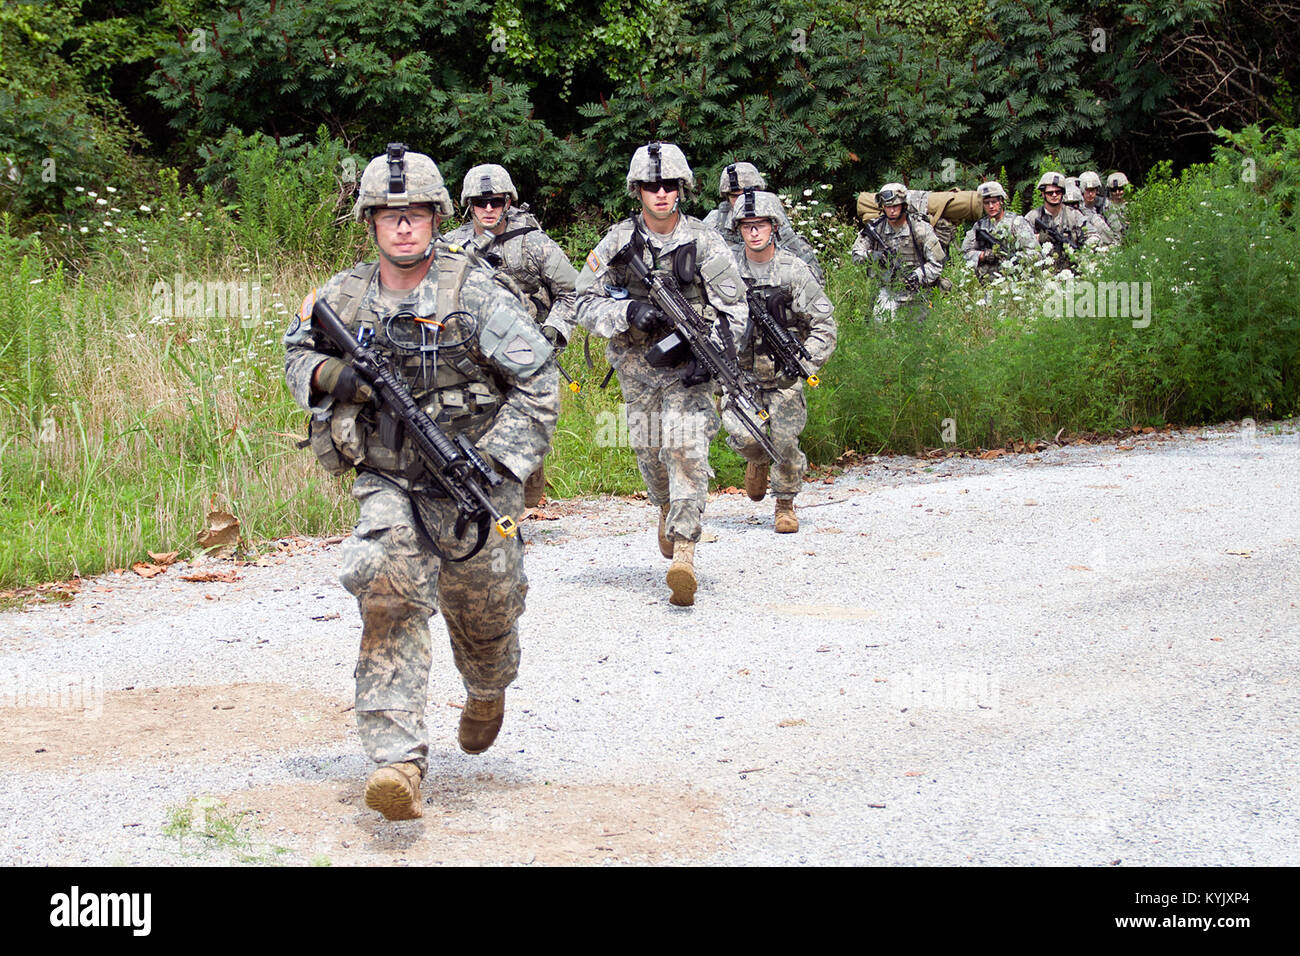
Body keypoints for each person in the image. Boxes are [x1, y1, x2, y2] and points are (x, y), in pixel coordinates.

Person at [284, 145, 558, 821]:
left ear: (436, 218)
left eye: (415, 215)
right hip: (389, 478)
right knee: (385, 588)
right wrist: (338, 379)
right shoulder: (343, 296)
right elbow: (298, 354)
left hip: (475, 479)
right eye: (388, 215)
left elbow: (540, 384)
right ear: (370, 221)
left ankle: (488, 687)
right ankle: (396, 761)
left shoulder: (478, 292)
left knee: (486, 608)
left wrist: (496, 464)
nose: (402, 227)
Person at [575, 141, 748, 606]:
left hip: (689, 370)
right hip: (636, 369)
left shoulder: (705, 242)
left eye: (670, 185)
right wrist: (627, 311)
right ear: (638, 191)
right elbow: (580, 299)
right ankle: (666, 507)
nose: (661, 193)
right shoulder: (617, 242)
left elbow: (735, 309)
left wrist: (712, 354)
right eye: (652, 186)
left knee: (685, 447)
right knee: (651, 454)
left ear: (683, 189)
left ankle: (685, 553)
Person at [444, 163, 577, 507]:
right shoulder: (451, 246)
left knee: (523, 414)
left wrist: (553, 330)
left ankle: (524, 470)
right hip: (469, 350)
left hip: (523, 347)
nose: (488, 210)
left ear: (508, 202)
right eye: (480, 202)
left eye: (496, 202)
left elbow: (575, 291)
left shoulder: (532, 244)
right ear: (468, 204)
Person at [723, 189, 836, 533]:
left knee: (785, 442)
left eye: (760, 225)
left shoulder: (794, 271)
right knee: (744, 436)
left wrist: (803, 364)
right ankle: (758, 460)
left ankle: (784, 504)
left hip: (784, 375)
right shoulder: (724, 271)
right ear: (738, 229)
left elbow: (825, 327)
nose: (753, 232)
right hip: (740, 375)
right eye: (746, 225)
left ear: (774, 226)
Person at [702, 161, 824, 281]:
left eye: (745, 194)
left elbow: (806, 266)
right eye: (734, 196)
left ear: (758, 191)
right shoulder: (715, 222)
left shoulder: (771, 216)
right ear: (727, 197)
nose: (741, 200)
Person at [851, 181, 946, 319]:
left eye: (895, 206)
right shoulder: (875, 228)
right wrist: (874, 256)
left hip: (917, 291)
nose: (891, 210)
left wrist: (917, 276)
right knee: (882, 330)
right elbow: (856, 254)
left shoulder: (920, 229)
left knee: (921, 333)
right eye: (887, 206)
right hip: (887, 290)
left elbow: (937, 263)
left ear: (904, 205)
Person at [960, 180, 1040, 280]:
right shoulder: (979, 226)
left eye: (994, 202)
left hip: (1015, 280)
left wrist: (1016, 259)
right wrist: (983, 255)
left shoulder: (1016, 222)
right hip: (988, 283)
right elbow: (965, 253)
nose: (991, 206)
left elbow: (1035, 252)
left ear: (1001, 201)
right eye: (986, 203)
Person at [1024, 171, 1094, 266]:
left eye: (1058, 192)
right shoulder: (1033, 216)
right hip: (1043, 268)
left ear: (1063, 193)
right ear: (1043, 194)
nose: (1054, 195)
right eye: (1050, 193)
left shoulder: (1074, 215)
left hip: (1071, 267)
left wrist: (1083, 252)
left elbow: (1093, 236)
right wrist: (1038, 238)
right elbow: (1021, 241)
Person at [1065, 182, 1119, 247]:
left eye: (1074, 204)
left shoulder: (1087, 214)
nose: (1071, 208)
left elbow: (1094, 233)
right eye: (1067, 204)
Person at [1104, 171, 1131, 239]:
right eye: (1114, 190)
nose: (1117, 192)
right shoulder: (1106, 207)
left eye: (1120, 189)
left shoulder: (1131, 205)